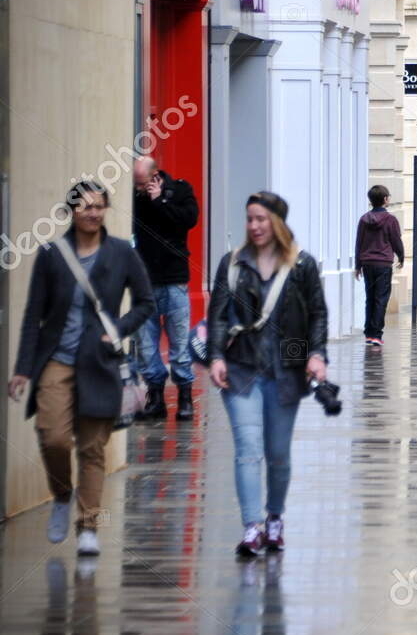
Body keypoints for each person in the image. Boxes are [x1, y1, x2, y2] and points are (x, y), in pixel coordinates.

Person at [8, 180, 155, 556]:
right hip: (57, 360)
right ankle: (61, 496)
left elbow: (146, 302)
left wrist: (118, 330)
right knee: (53, 438)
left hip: (100, 363)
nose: (93, 213)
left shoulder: (122, 253)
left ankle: (89, 527)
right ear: (71, 210)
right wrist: (23, 368)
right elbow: (33, 315)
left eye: (99, 206)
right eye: (86, 206)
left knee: (92, 449)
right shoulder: (51, 254)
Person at [207, 192, 329, 558]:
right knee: (247, 450)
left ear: (277, 222)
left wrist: (317, 354)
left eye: (261, 219)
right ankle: (251, 527)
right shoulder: (232, 264)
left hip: (285, 371)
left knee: (277, 454)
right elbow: (217, 315)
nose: (254, 226)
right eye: (250, 219)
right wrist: (216, 356)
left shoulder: (302, 264)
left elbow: (317, 314)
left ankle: (275, 516)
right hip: (241, 368)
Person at [131, 154, 199, 421]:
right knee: (146, 346)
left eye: (141, 183)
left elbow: (188, 220)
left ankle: (185, 397)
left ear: (155, 176)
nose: (138, 188)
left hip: (174, 279)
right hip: (143, 281)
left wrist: (159, 200)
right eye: (136, 183)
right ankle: (156, 398)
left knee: (179, 345)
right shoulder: (135, 198)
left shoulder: (180, 190)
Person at [355, 184, 405, 347]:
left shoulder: (364, 219)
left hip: (367, 264)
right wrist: (401, 256)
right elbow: (396, 240)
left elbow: (359, 243)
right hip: (383, 264)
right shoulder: (391, 220)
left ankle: (369, 333)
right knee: (381, 298)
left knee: (370, 298)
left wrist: (358, 265)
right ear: (385, 199)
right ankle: (377, 334)